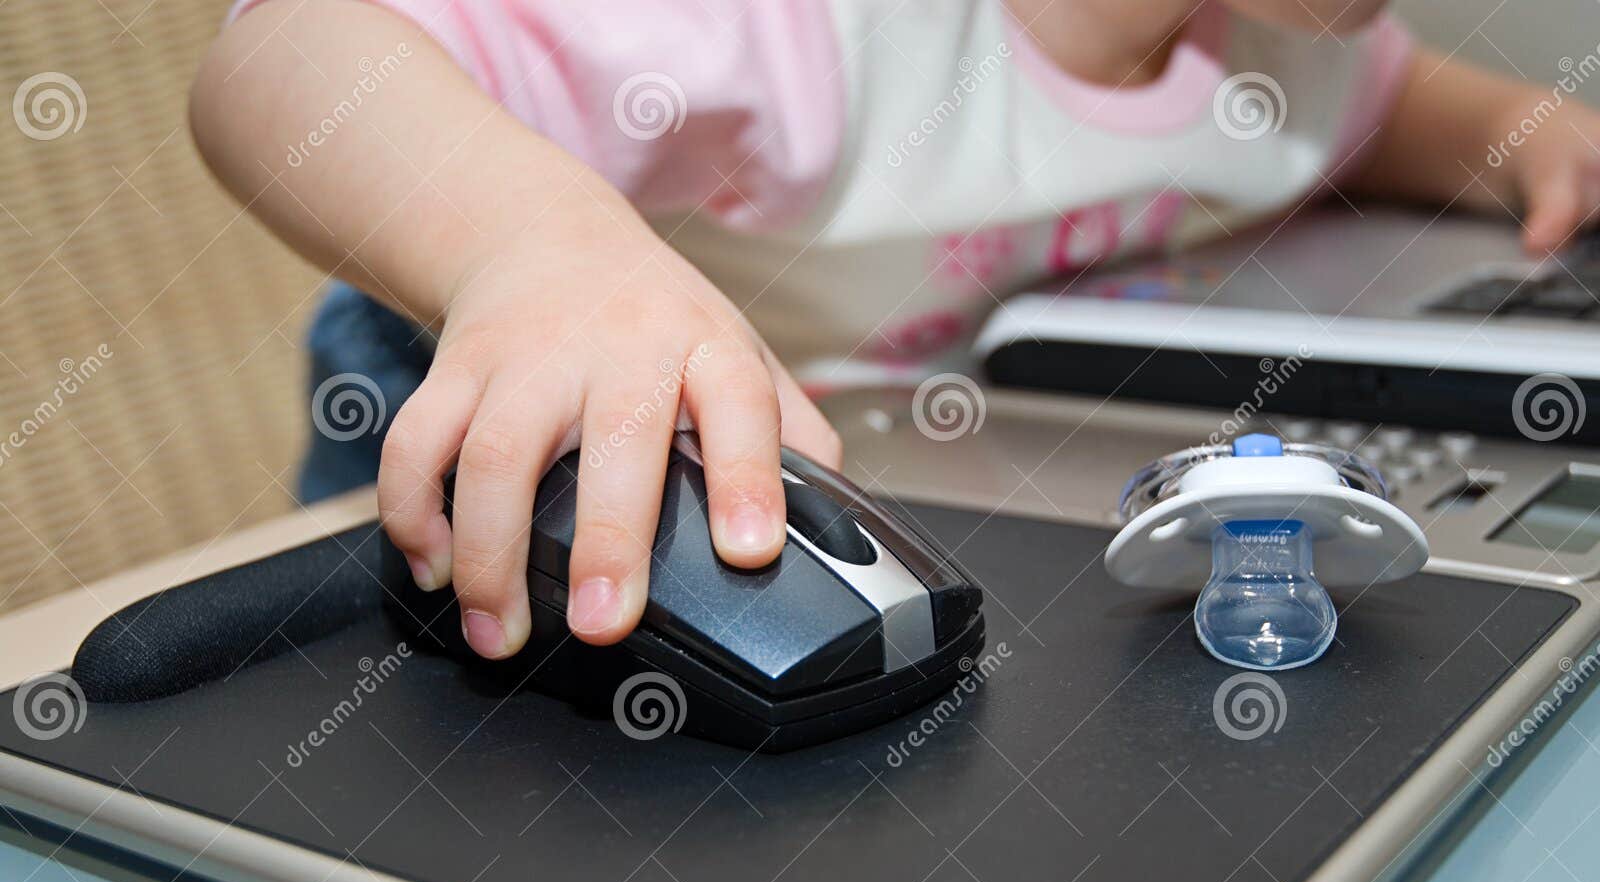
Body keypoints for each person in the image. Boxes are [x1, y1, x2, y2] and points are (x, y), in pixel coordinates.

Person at [191, 0, 1600, 659]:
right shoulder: (804, 30)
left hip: (889, 453)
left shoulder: (1287, 54)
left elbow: (1396, 109)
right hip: (532, 421)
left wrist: (1533, 139)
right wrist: (535, 249)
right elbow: (286, 50)